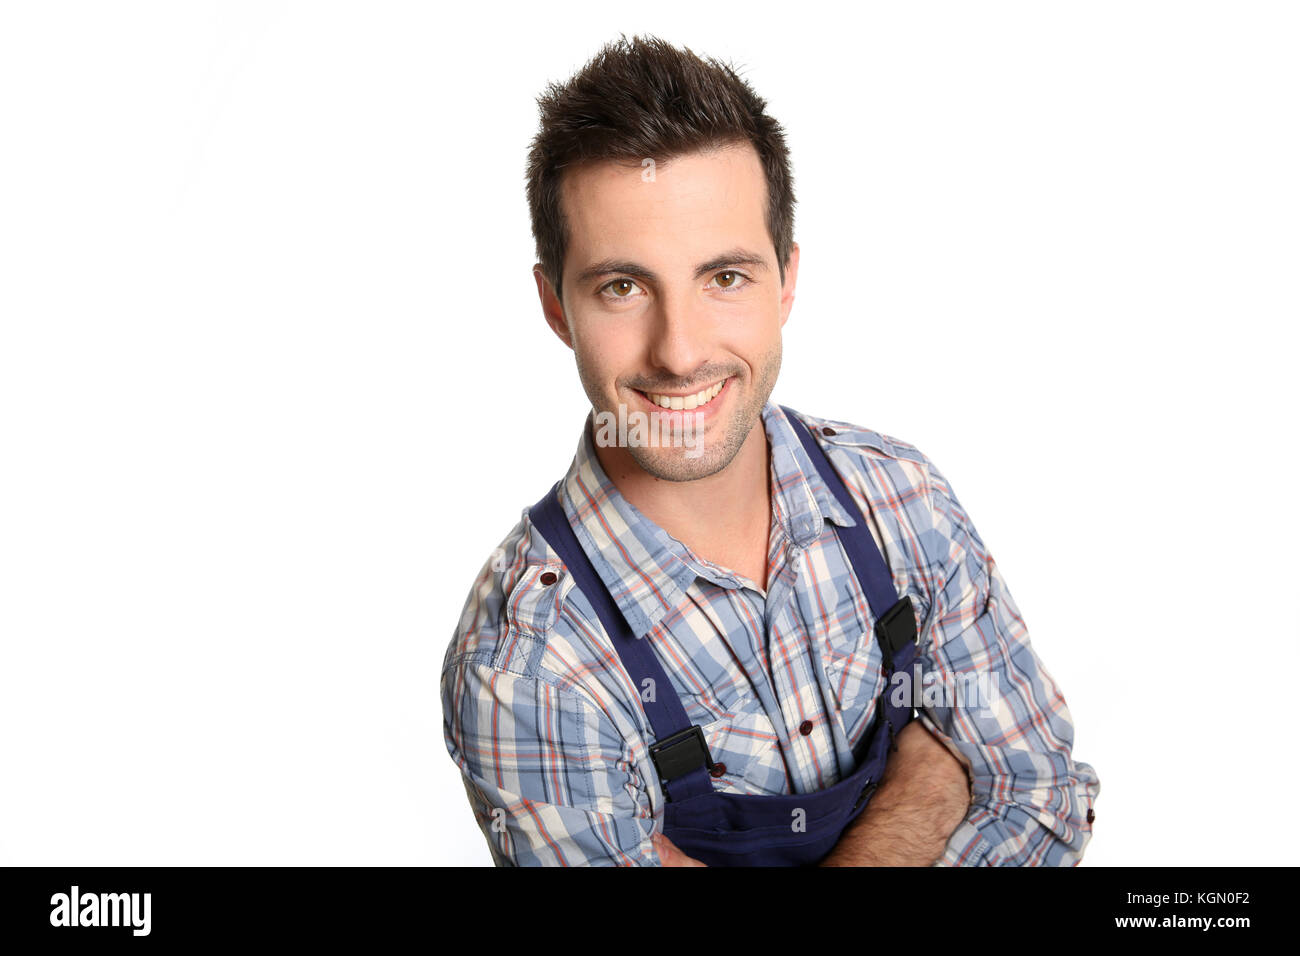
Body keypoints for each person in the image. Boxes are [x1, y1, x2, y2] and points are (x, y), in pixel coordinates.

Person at [440, 34, 1100, 866]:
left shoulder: (901, 501)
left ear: (786, 280)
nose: (679, 353)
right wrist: (923, 789)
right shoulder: (528, 665)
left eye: (725, 278)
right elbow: (987, 793)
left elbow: (1039, 799)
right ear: (555, 306)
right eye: (623, 286)